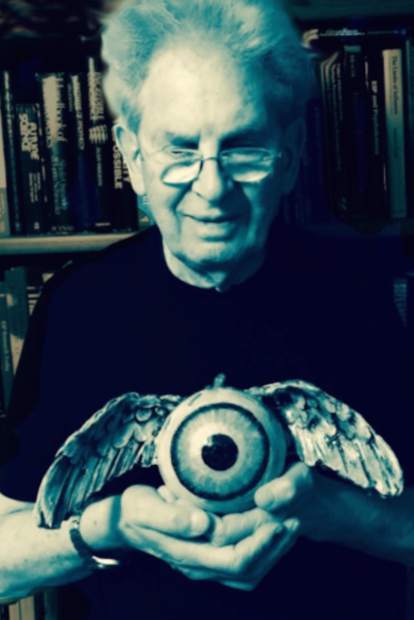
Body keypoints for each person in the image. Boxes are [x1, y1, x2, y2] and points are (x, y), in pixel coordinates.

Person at [0, 1, 413, 618]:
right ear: (133, 158)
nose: (212, 188)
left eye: (243, 149)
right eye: (180, 150)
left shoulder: (363, 293)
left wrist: (329, 512)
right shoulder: (75, 306)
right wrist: (111, 528)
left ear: (290, 155)